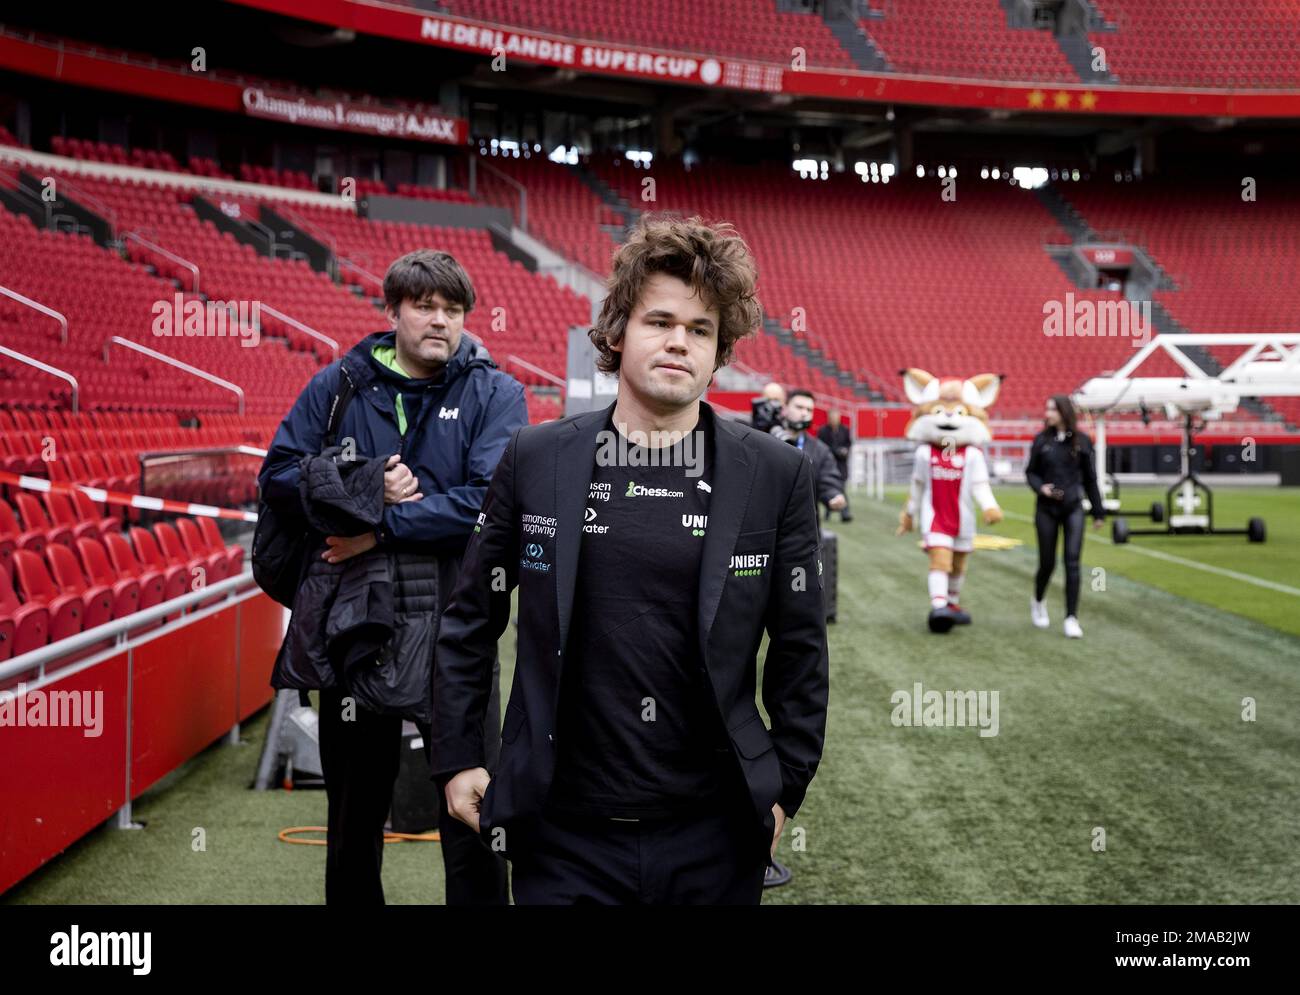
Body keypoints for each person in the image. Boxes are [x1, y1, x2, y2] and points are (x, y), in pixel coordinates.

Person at [433, 215, 830, 905]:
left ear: (720, 350)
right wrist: (460, 755)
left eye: (701, 329)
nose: (679, 341)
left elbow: (801, 647)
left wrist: (782, 787)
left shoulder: (772, 474)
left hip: (715, 832)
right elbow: (469, 619)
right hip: (561, 831)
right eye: (660, 321)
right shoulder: (535, 458)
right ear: (617, 333)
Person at [258, 249, 529, 904]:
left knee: (471, 803)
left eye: (453, 308)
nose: (440, 320)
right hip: (358, 624)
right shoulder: (340, 383)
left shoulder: (496, 392)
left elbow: (488, 505)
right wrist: (363, 486)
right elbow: (277, 478)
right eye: (425, 306)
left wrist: (379, 527)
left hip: (456, 629)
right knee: (353, 812)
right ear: (394, 311)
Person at [1025, 394, 1105, 639]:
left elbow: (1090, 478)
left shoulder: (1081, 441)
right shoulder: (1041, 440)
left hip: (1072, 507)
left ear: (1064, 412)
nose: (1047, 413)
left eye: (1052, 409)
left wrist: (1098, 510)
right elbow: (1031, 473)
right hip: (1046, 509)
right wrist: (1042, 488)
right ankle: (1038, 601)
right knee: (1047, 563)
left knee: (1072, 562)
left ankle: (1071, 617)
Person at [771, 389, 848, 521]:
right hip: (767, 522)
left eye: (809, 410)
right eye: (799, 407)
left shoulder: (820, 450)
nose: (804, 413)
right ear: (785, 408)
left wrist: (833, 495)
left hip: (803, 528)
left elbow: (828, 480)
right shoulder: (766, 440)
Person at [817, 407, 853, 523]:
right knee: (829, 487)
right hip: (827, 464)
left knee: (840, 488)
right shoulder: (823, 431)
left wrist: (845, 451)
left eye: (836, 417)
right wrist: (836, 451)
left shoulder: (845, 430)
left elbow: (848, 443)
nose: (834, 420)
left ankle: (844, 513)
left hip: (841, 465)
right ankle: (837, 512)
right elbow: (822, 447)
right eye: (832, 417)